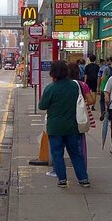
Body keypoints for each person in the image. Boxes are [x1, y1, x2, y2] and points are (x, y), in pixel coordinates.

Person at [38, 60, 90, 188]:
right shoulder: (74, 86)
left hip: (55, 127)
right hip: (72, 126)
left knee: (57, 154)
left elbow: (42, 106)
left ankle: (62, 179)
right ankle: (83, 179)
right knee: (76, 154)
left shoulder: (50, 88)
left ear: (52, 73)